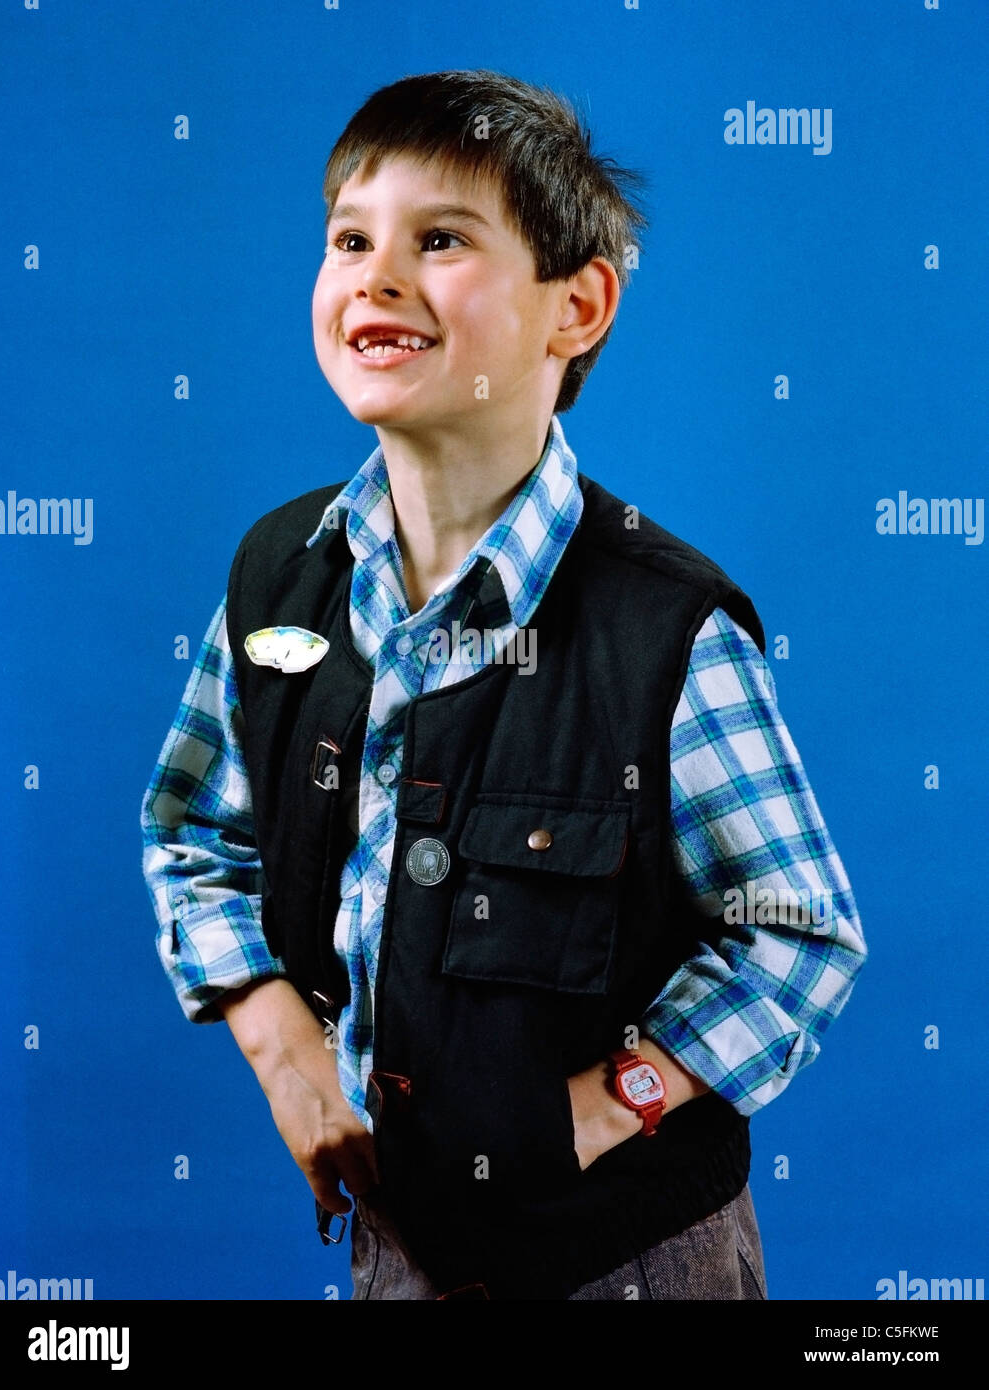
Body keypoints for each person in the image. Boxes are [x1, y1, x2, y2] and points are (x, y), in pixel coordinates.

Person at [141, 69, 866, 1301]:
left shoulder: (666, 628)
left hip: (632, 1264)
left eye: (441, 241)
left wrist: (604, 1106)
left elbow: (801, 934)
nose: (376, 276)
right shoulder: (278, 574)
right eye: (350, 240)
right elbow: (193, 833)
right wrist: (291, 1064)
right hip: (401, 1256)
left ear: (575, 307)